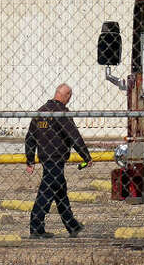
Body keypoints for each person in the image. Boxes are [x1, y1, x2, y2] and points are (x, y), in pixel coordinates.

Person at [24, 83, 93, 238]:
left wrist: (30, 160)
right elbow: (73, 136)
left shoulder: (41, 112)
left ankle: (72, 226)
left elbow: (30, 138)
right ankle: (36, 229)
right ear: (67, 96)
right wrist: (86, 156)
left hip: (45, 159)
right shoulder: (61, 113)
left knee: (61, 193)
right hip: (56, 160)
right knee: (46, 193)